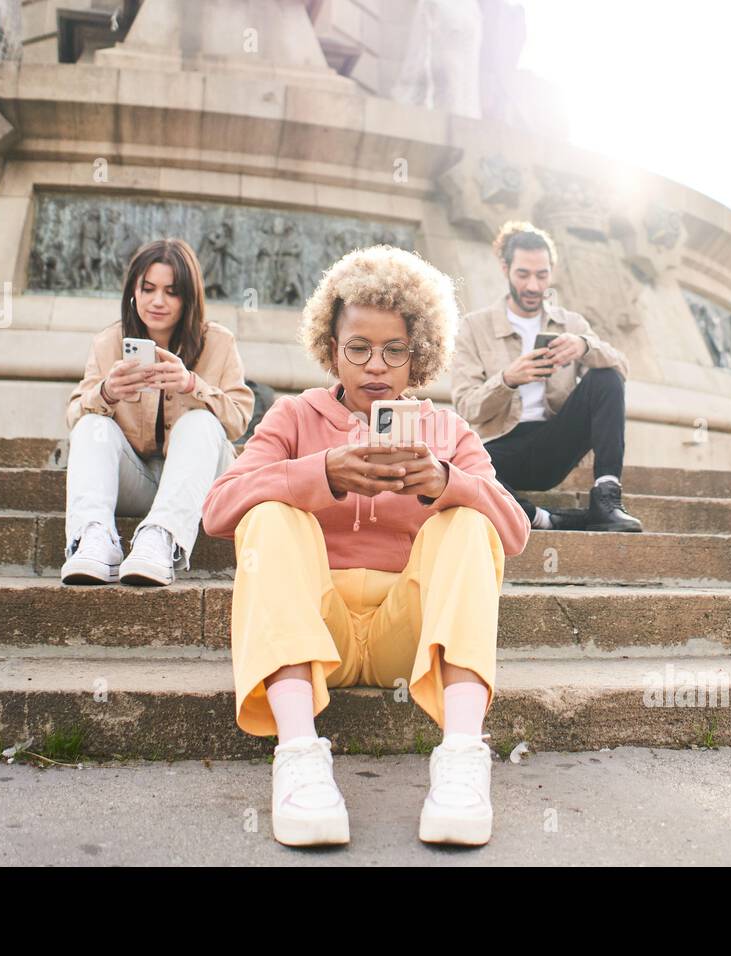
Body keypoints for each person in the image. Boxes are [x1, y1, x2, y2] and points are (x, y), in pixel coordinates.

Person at [201, 245, 530, 848]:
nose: (375, 365)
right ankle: (299, 756)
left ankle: (461, 756)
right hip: (316, 627)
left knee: (469, 519)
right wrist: (319, 474)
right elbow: (219, 509)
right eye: (358, 348)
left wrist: (447, 484)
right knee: (268, 511)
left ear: (419, 354)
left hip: (404, 637)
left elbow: (512, 531)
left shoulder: (448, 429)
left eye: (394, 350)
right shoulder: (295, 415)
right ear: (332, 349)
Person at [62, 238, 253, 586]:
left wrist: (192, 385)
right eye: (148, 289)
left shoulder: (219, 342)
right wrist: (107, 392)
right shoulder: (109, 342)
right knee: (92, 424)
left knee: (200, 421)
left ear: (189, 298)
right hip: (136, 480)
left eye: (171, 291)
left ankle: (161, 539)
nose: (158, 301)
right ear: (134, 292)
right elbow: (75, 415)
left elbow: (239, 419)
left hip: (202, 480)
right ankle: (94, 540)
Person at [451, 220, 642, 533]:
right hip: (500, 448)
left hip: (555, 442)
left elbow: (621, 368)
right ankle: (542, 518)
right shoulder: (475, 326)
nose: (533, 286)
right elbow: (466, 406)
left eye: (541, 275)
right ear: (505, 269)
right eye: (523, 274)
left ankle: (607, 497)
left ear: (551, 271)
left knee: (606, 376)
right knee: (456, 464)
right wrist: (507, 379)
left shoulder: (570, 322)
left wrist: (584, 346)